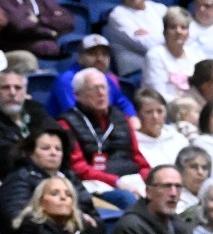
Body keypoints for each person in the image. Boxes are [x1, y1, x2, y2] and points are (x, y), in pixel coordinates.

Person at [62, 66, 149, 197]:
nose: (101, 93)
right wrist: (115, 181)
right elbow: (78, 167)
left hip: (130, 179)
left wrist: (150, 178)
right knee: (128, 197)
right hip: (96, 186)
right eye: (94, 89)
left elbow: (138, 157)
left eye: (103, 87)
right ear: (78, 95)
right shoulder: (67, 123)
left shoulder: (122, 117)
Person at [0, 126, 95, 228]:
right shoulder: (18, 179)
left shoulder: (69, 176)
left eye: (58, 149)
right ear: (30, 152)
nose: (53, 153)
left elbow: (92, 212)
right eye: (45, 148)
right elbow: (15, 219)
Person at [0, 69, 51, 177]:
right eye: (5, 88)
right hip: (15, 179)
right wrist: (45, 152)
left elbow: (58, 137)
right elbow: (8, 158)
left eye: (18, 88)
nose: (12, 93)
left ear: (25, 91)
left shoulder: (36, 109)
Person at [106, 0, 170, 78]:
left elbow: (181, 38)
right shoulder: (117, 15)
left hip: (165, 69)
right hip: (136, 75)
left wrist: (149, 35)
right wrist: (166, 36)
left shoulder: (161, 9)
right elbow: (146, 45)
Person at [142, 8, 208, 102]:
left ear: (188, 32)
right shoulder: (155, 55)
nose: (178, 31)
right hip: (167, 109)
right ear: (165, 32)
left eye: (183, 27)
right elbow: (157, 94)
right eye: (173, 27)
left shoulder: (197, 54)